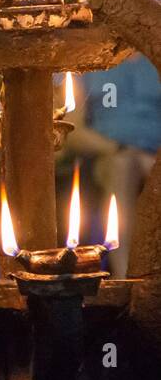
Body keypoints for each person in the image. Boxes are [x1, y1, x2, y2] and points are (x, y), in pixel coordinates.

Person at [64, 52, 161, 278]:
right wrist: (119, 148)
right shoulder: (89, 61)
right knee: (123, 166)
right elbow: (73, 129)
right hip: (108, 154)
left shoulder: (154, 55)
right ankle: (125, 277)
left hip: (155, 155)